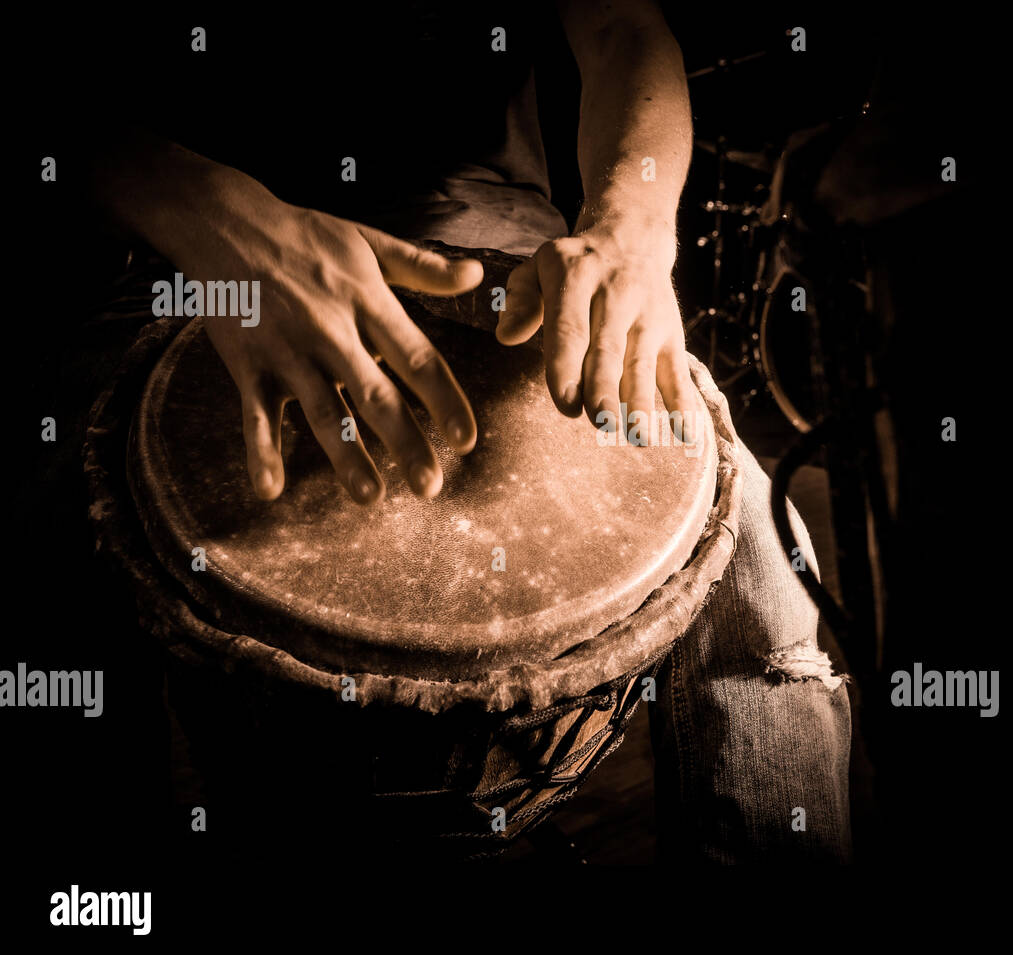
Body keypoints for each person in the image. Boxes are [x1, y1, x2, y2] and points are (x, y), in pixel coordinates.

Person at [84, 0, 852, 862]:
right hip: (197, 269)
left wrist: (632, 228)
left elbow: (624, 28)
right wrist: (205, 207)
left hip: (495, 264)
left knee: (751, 540)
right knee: (48, 535)